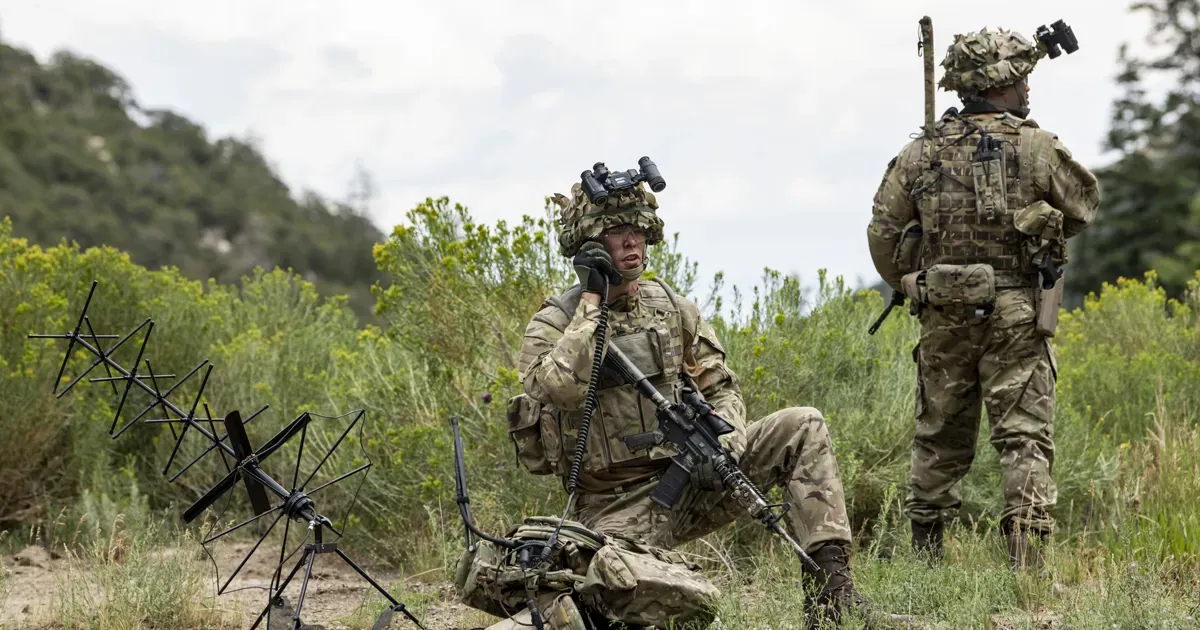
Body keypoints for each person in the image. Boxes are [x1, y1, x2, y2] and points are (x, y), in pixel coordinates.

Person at [507, 175, 875, 628]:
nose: (631, 243)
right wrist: (591, 304)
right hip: (615, 509)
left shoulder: (672, 308)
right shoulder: (558, 321)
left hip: (695, 478)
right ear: (589, 245)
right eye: (617, 234)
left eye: (639, 231)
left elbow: (722, 388)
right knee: (616, 593)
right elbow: (554, 387)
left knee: (803, 425)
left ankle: (832, 600)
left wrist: (727, 440)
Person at [865, 27, 1100, 570]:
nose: (1027, 90)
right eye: (1020, 80)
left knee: (938, 436)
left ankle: (925, 566)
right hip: (1017, 310)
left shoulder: (919, 152)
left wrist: (912, 281)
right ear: (1002, 86)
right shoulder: (1037, 146)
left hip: (943, 314)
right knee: (1023, 439)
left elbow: (882, 231)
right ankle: (1028, 568)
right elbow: (1083, 205)